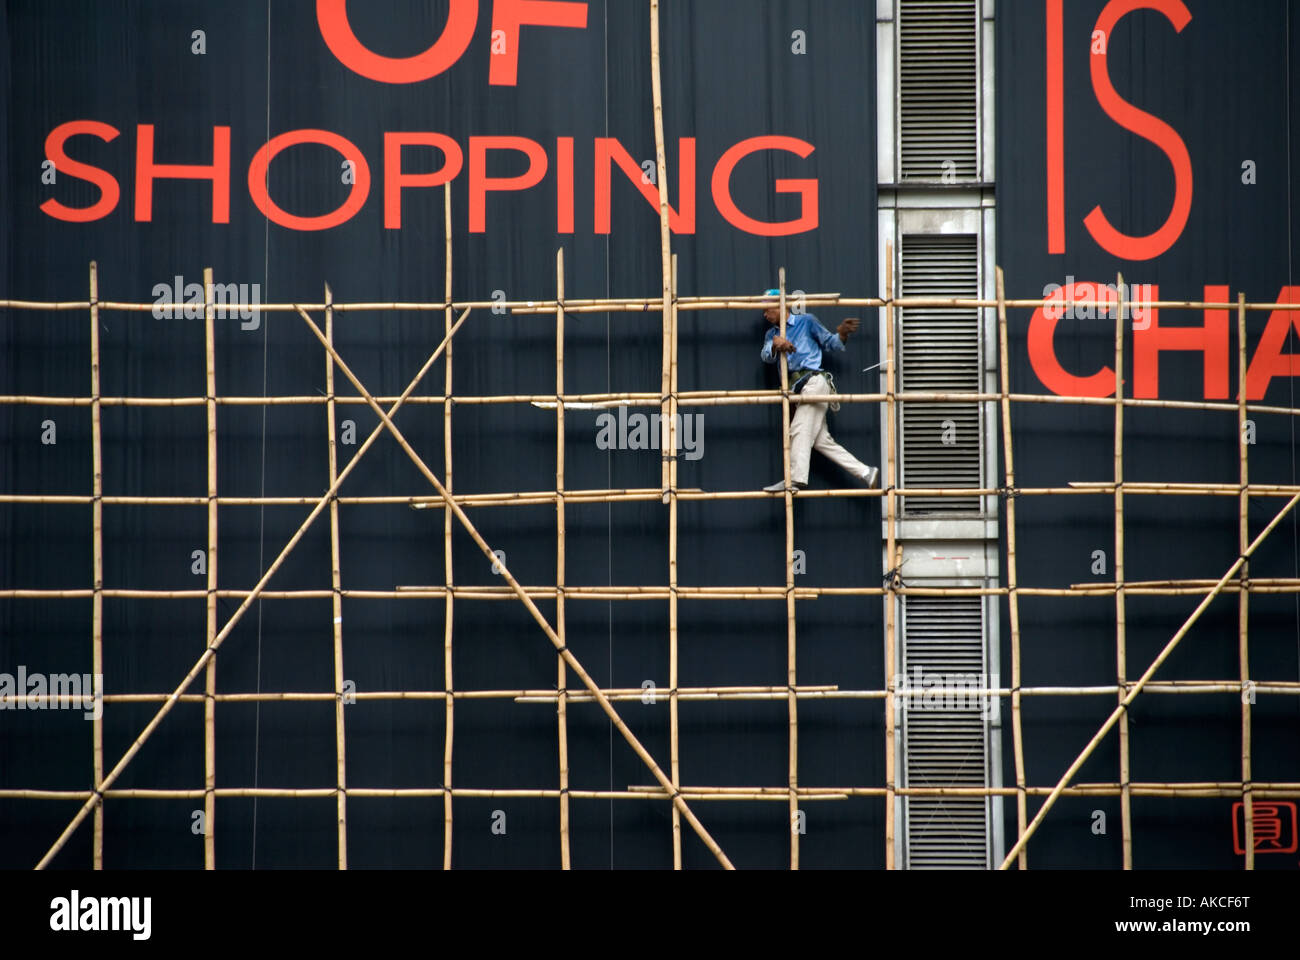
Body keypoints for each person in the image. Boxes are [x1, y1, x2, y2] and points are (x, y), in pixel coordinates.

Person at [758, 289, 879, 492]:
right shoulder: (771, 334)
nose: (764, 314)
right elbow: (765, 356)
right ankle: (865, 472)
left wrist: (841, 334)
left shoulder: (807, 321)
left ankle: (794, 481)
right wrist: (775, 344)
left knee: (798, 431)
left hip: (814, 383)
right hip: (799, 392)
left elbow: (830, 343)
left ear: (781, 305)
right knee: (822, 441)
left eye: (766, 309)